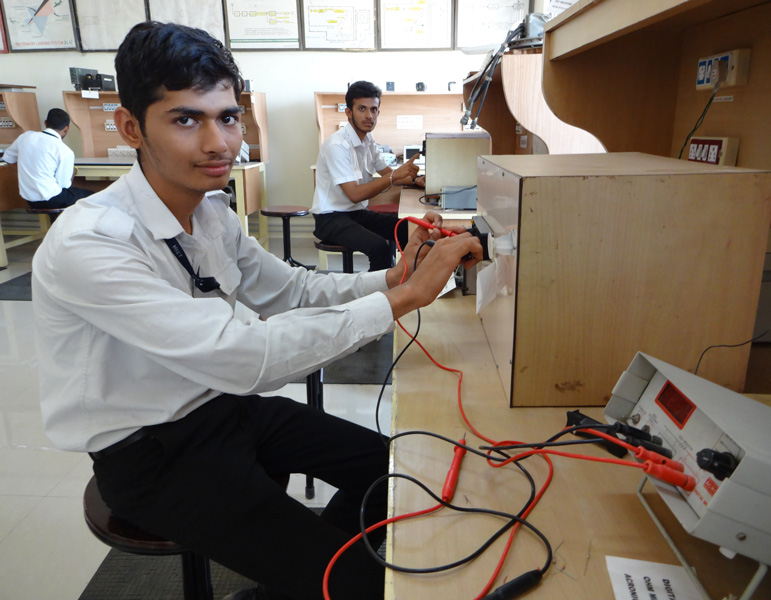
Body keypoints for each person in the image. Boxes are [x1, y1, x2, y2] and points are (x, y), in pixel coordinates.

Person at [32, 22, 483, 600]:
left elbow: (291, 290)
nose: (220, 143)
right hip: (147, 454)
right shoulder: (90, 242)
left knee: (398, 474)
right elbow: (246, 357)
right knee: (361, 584)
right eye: (185, 119)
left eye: (228, 116)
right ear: (130, 128)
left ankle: (293, 577)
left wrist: (393, 276)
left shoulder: (212, 211)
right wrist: (403, 299)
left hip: (221, 408)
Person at [311, 80, 425, 272]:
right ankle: (379, 298)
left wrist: (417, 180)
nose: (368, 115)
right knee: (378, 247)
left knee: (409, 228)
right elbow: (354, 194)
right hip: (330, 218)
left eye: (373, 110)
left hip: (355, 213)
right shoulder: (337, 145)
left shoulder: (368, 141)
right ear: (349, 112)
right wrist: (394, 176)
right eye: (362, 109)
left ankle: (410, 280)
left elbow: (389, 173)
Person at [2, 108, 93, 210]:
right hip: (52, 199)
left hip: (31, 200)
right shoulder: (64, 151)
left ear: (45, 123)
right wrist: (72, 172)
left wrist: (28, 172)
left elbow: (8, 158)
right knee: (94, 197)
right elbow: (63, 185)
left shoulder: (25, 137)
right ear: (67, 128)